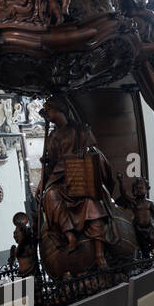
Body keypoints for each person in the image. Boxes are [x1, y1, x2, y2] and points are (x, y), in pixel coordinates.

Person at [35, 95, 117, 269]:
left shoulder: (80, 130)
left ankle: (100, 254)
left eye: (49, 110)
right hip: (60, 180)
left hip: (81, 177)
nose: (47, 114)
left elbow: (95, 152)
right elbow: (50, 165)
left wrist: (84, 154)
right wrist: (42, 182)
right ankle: (70, 234)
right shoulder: (51, 137)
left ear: (60, 109)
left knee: (90, 203)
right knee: (50, 195)